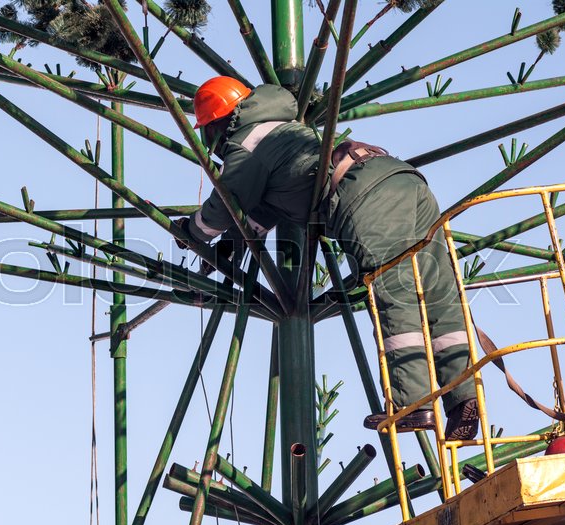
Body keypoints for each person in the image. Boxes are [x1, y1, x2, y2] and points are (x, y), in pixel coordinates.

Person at [176, 76, 479, 440]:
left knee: (393, 288)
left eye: (207, 133)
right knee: (437, 291)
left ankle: (412, 404)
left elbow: (224, 206)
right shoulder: (287, 130)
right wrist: (231, 246)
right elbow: (264, 211)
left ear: (220, 123)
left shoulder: (247, 144)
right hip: (402, 178)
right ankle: (463, 399)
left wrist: (191, 232)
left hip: (365, 194)